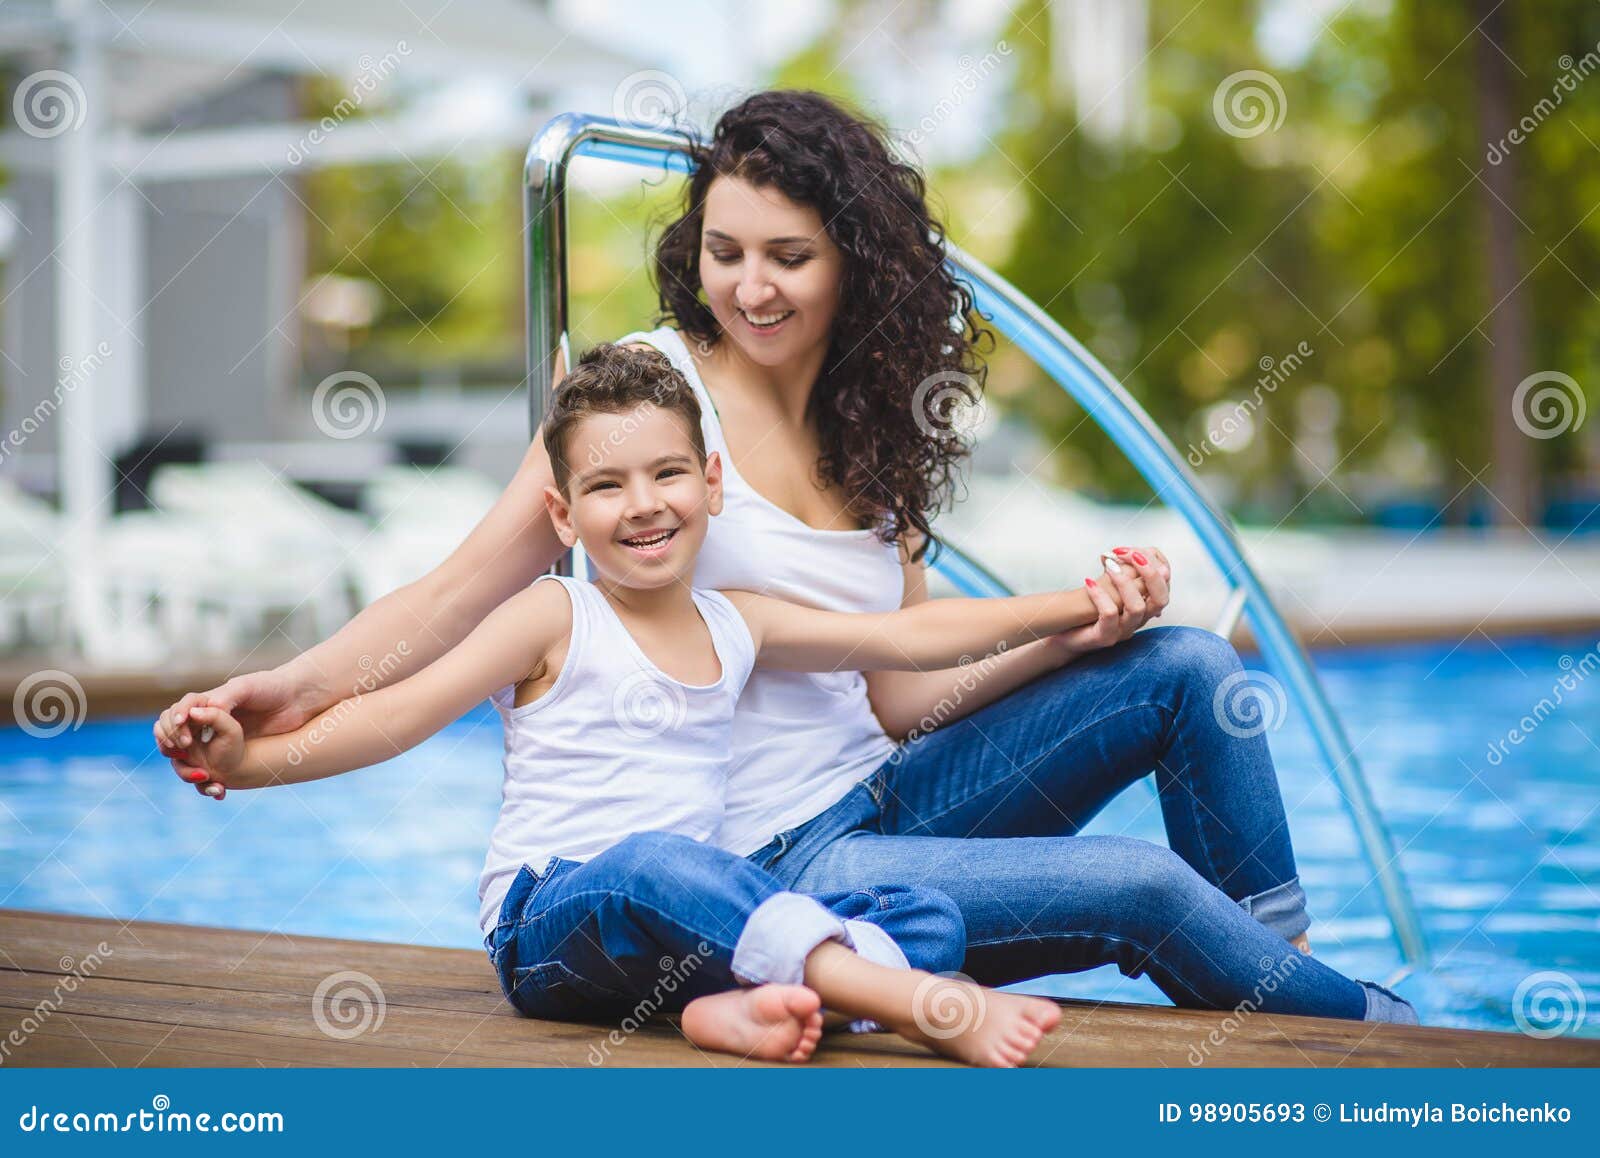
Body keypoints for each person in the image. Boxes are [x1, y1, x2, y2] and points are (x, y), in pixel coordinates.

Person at [157, 89, 1415, 1025]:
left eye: (786, 257)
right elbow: (449, 595)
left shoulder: (880, 428)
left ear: (852, 259)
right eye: (724, 251)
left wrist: (1068, 634)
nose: (748, 288)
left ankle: (1288, 991)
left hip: (894, 799)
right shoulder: (652, 405)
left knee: (1186, 667)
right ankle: (1370, 1032)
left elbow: (903, 698)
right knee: (1137, 889)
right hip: (772, 859)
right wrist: (293, 690)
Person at [178, 343, 1077, 1066]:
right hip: (553, 924)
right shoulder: (549, 616)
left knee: (930, 915)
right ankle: (911, 1004)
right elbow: (397, 716)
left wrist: (1074, 614)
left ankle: (721, 1011)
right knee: (653, 863)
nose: (642, 506)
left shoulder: (739, 626)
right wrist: (246, 763)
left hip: (678, 937)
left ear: (712, 484)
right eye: (606, 486)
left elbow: (909, 641)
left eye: (668, 475)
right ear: (563, 516)